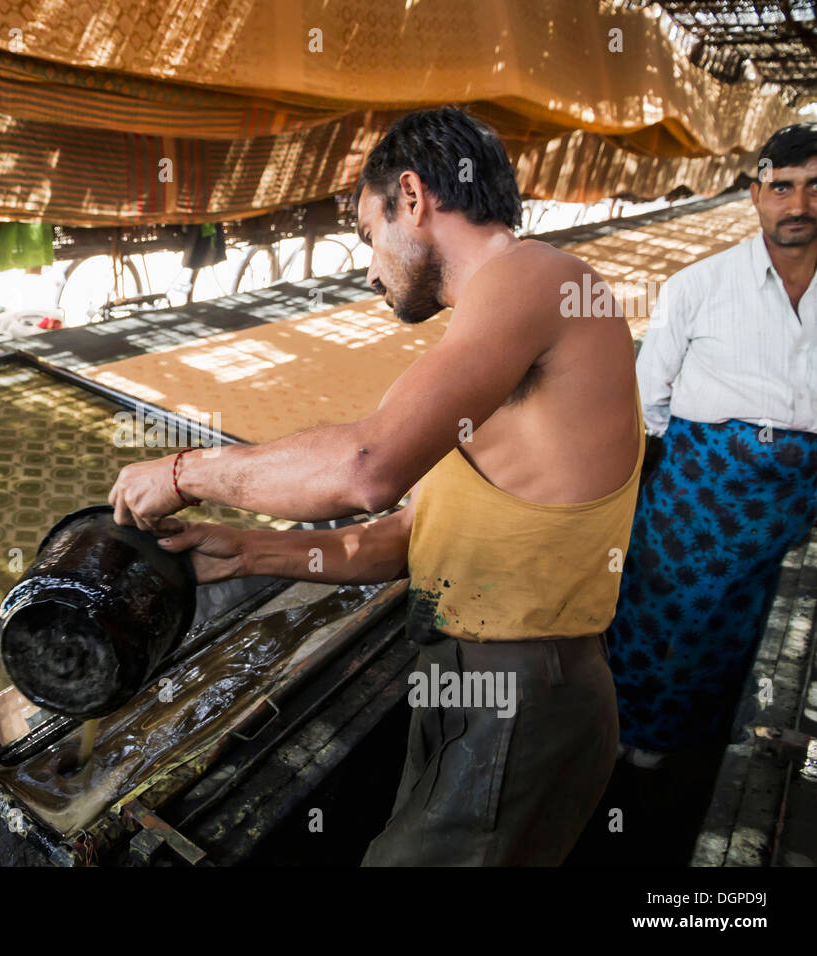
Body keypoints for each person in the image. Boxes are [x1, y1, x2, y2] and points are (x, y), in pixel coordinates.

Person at [108, 107, 645, 865]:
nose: (367, 268)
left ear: (414, 197)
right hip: (471, 683)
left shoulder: (539, 276)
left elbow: (366, 468)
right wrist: (249, 552)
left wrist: (182, 472)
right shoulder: (494, 341)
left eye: (367, 234)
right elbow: (406, 536)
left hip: (520, 693)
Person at [607, 124, 817, 765]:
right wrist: (711, 452)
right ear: (756, 194)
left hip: (796, 493)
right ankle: (626, 735)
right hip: (699, 485)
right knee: (655, 604)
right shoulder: (697, 287)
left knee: (741, 619)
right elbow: (649, 395)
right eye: (782, 187)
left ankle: (703, 736)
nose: (799, 205)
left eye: (815, 188)